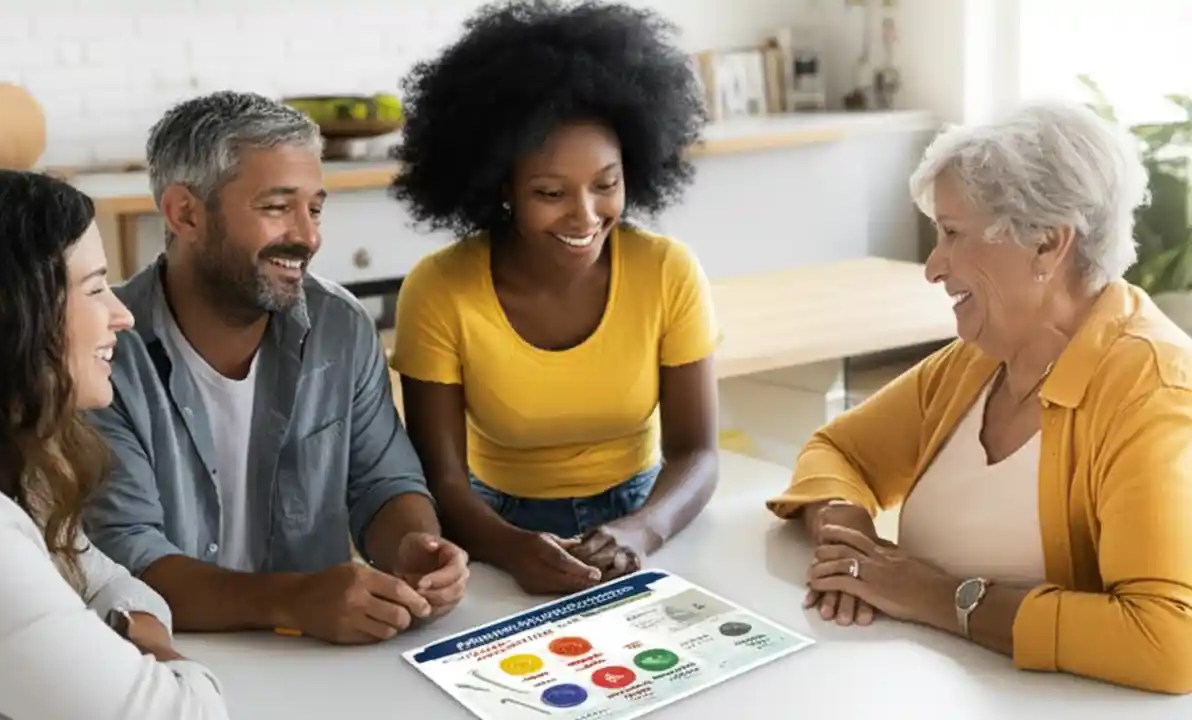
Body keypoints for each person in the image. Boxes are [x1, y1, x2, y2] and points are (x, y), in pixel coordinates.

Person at [766, 102, 1192, 694]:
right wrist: (849, 541)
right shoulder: (982, 358)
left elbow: (1169, 639)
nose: (932, 267)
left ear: (1047, 243)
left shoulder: (1151, 388)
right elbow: (839, 451)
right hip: (913, 688)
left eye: (952, 234)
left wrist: (931, 595)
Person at [84, 91, 469, 645]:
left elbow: (384, 483)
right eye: (276, 208)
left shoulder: (339, 328)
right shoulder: (103, 351)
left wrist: (415, 547)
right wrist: (293, 600)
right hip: (170, 656)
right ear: (185, 214)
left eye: (315, 209)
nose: (308, 237)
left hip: (316, 652)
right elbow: (126, 558)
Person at [389, 0, 720, 596]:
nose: (586, 216)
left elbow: (697, 452)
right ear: (504, 187)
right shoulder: (439, 289)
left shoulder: (668, 271)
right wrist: (511, 548)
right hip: (492, 526)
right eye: (550, 193)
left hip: (648, 513)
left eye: (606, 184)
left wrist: (642, 530)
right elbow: (443, 481)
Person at [0, 163, 230, 719]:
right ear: (9, 313)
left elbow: (113, 586)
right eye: (96, 288)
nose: (122, 315)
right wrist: (157, 665)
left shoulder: (0, 464)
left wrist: (133, 636)